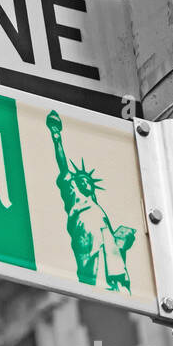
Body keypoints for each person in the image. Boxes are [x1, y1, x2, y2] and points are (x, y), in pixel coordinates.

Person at [46, 110, 135, 293]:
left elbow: (113, 250)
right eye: (81, 181)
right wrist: (57, 137)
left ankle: (114, 286)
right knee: (91, 273)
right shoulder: (73, 194)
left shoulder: (98, 208)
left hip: (104, 243)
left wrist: (121, 239)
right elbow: (63, 168)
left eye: (88, 181)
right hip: (84, 235)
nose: (85, 183)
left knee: (110, 278)